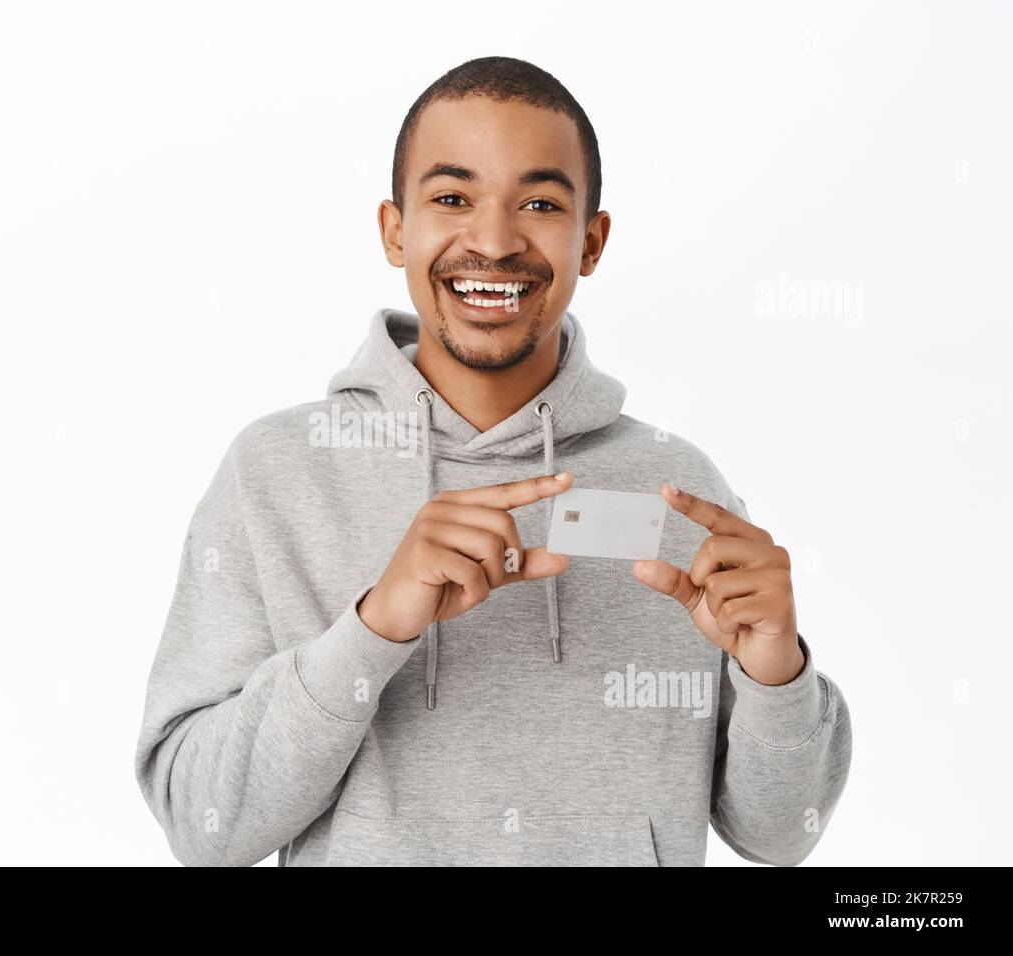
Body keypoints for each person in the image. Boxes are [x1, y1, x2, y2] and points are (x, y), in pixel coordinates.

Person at [133, 56, 852, 866]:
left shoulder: (679, 490)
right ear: (394, 229)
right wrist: (373, 629)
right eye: (451, 198)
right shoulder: (276, 474)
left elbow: (777, 833)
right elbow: (200, 826)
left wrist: (775, 676)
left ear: (591, 241)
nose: (494, 241)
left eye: (540, 204)